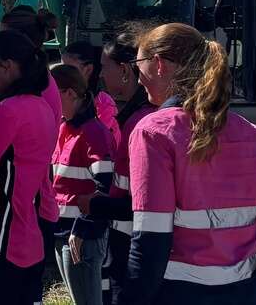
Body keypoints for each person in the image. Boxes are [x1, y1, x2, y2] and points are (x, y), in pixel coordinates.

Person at [120, 23, 256, 305]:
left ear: (159, 64)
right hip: (250, 293)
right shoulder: (252, 134)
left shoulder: (153, 132)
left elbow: (151, 241)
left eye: (138, 66)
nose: (139, 80)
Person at [0, 29, 56, 305]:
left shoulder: (8, 111)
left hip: (0, 237)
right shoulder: (42, 107)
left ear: (7, 66)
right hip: (29, 234)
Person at [84, 23, 155, 304]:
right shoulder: (137, 116)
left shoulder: (140, 123)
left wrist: (95, 205)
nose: (101, 74)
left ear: (125, 70)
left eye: (105, 67)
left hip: (131, 245)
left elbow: (140, 201)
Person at [49, 65, 116, 305]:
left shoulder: (93, 132)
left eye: (51, 93)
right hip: (63, 231)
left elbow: (106, 187)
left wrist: (84, 228)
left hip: (81, 235)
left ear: (69, 93)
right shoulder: (64, 129)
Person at [61, 39, 120, 145]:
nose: (63, 74)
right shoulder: (65, 96)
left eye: (69, 69)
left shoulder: (104, 104)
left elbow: (96, 141)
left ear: (88, 69)